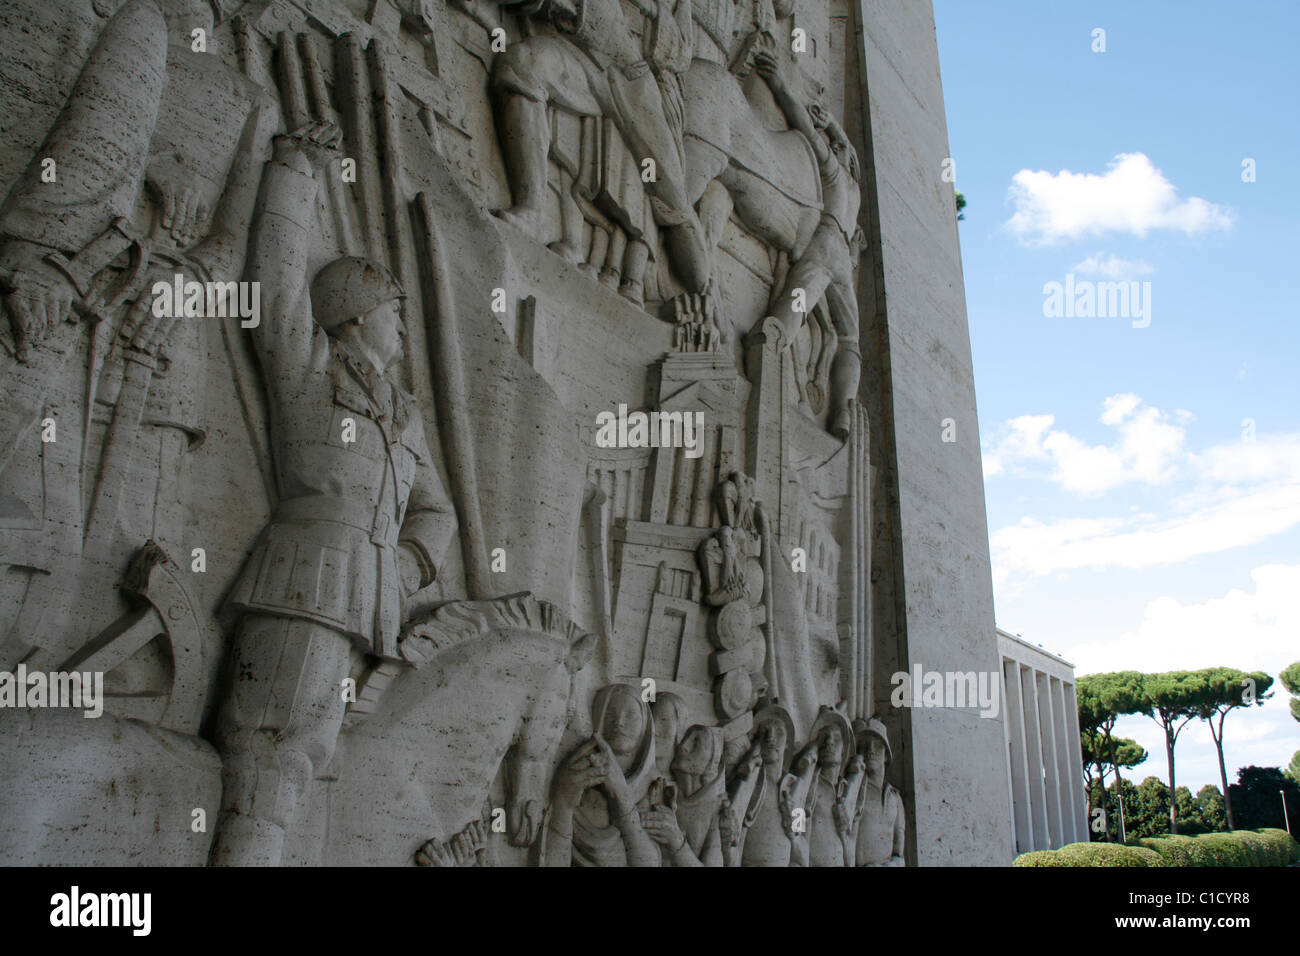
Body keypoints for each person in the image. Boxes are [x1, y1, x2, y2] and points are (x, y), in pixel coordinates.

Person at [208, 122, 456, 866]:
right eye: (393, 309)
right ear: (354, 315)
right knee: (269, 749)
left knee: (308, 756)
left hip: (367, 596)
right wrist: (293, 170)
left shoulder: (404, 413)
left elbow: (435, 511)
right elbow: (277, 284)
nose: (404, 324)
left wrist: (406, 566)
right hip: (304, 579)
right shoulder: (309, 363)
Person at [752, 48, 863, 439]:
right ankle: (843, 412)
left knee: (795, 303)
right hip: (844, 263)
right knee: (849, 337)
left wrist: (780, 83)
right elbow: (847, 151)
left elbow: (801, 122)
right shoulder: (856, 188)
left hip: (825, 241)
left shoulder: (832, 172)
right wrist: (835, 126)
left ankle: (769, 344)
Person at [544, 682, 660, 866]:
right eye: (610, 714)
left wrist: (621, 796)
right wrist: (563, 803)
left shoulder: (653, 790)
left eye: (630, 715)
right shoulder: (576, 777)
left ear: (645, 724)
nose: (619, 722)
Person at [850, 716, 906, 867]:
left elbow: (899, 851)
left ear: (886, 755)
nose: (871, 751)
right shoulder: (851, 792)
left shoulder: (895, 797)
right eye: (863, 746)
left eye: (877, 745)